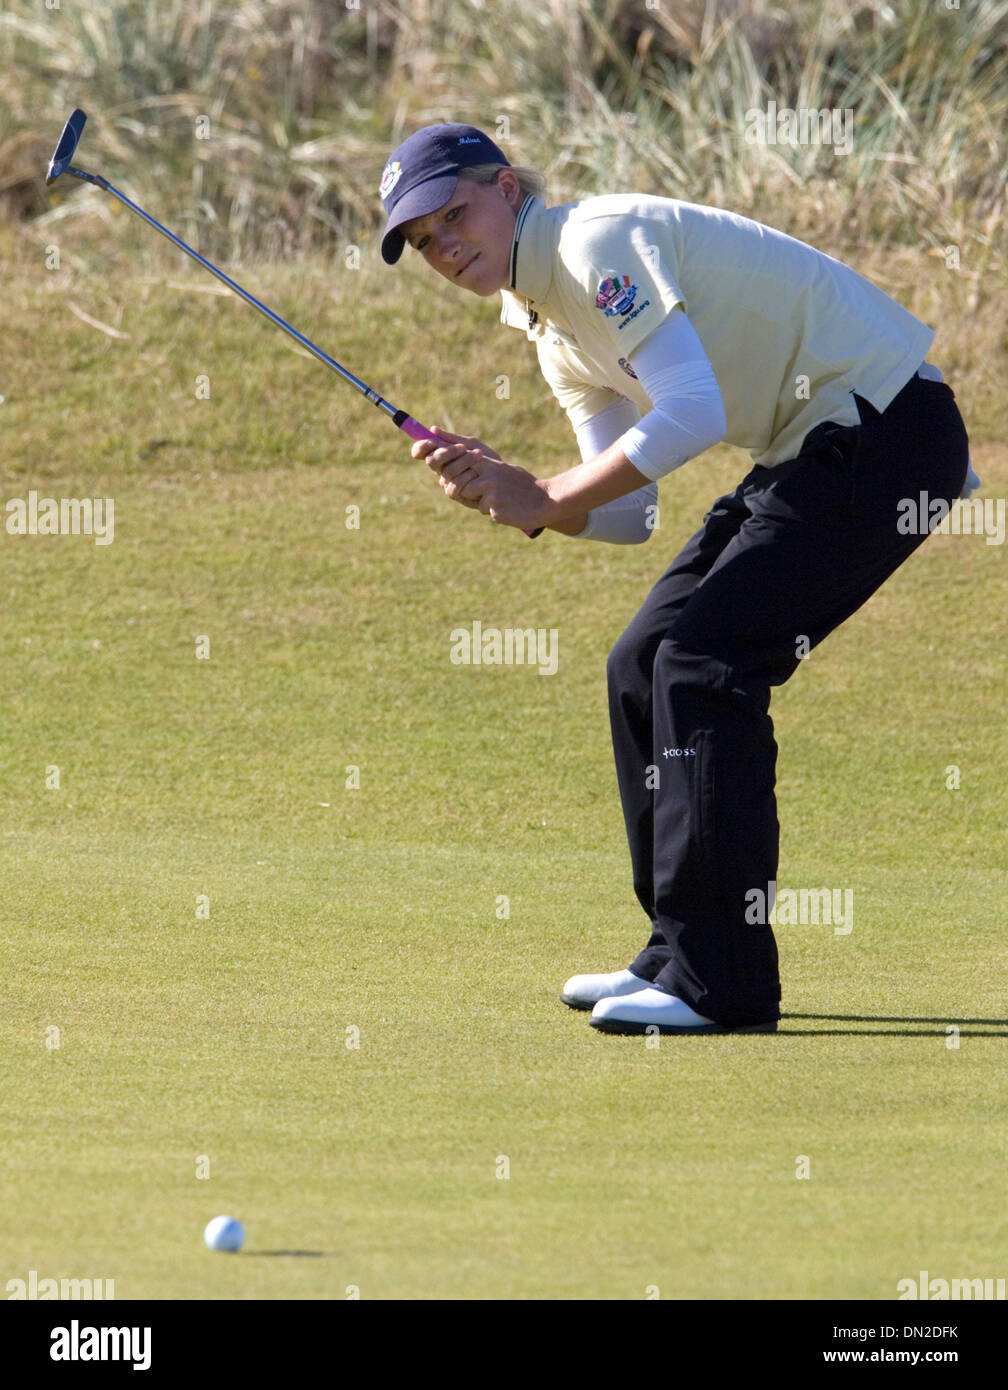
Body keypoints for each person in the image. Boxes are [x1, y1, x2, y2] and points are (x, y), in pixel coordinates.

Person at [378, 123, 976, 1035]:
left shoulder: (592, 243)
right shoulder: (547, 325)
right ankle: (677, 947)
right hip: (819, 443)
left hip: (886, 427)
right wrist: (523, 495)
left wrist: (544, 494)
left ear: (505, 186)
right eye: (423, 241)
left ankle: (722, 982)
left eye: (454, 213)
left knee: (703, 664)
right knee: (643, 657)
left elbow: (692, 410)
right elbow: (628, 514)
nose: (445, 246)